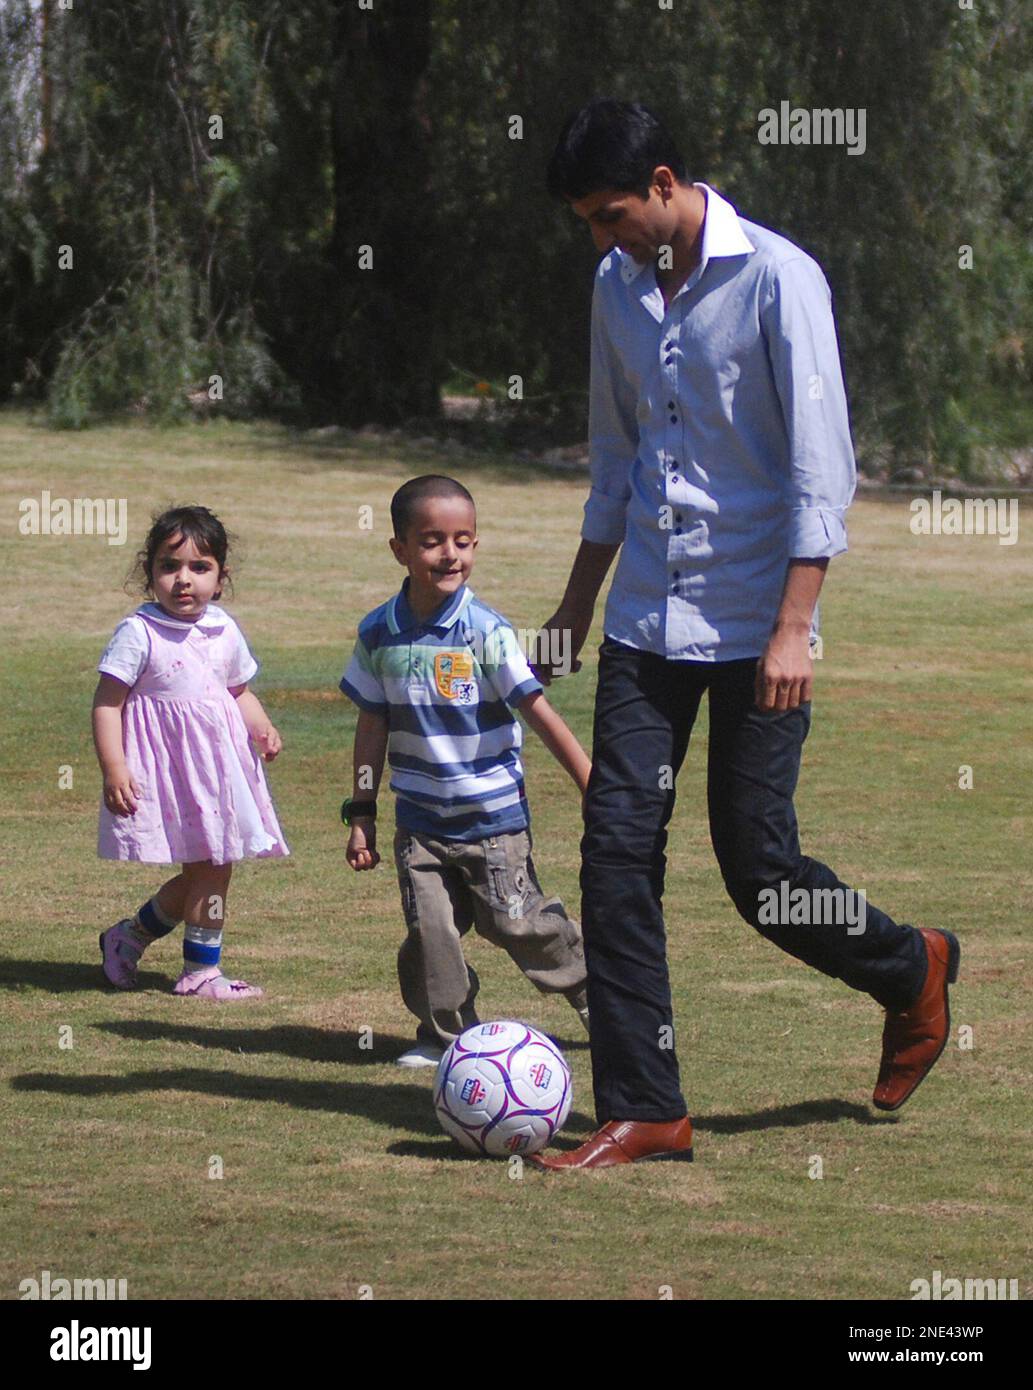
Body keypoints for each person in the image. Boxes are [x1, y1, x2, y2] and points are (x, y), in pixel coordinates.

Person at [528, 99, 959, 1170]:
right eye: (587, 220)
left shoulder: (777, 278)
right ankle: (645, 1106)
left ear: (665, 183)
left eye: (612, 213)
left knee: (759, 870)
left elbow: (823, 466)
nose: (601, 236)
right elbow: (615, 454)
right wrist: (577, 605)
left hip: (761, 617)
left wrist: (793, 628)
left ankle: (908, 968)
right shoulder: (613, 286)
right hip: (644, 621)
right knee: (615, 853)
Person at [340, 475, 592, 1067]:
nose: (450, 554)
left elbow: (537, 709)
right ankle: (446, 1035)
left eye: (464, 540)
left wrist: (590, 780)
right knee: (431, 932)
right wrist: (362, 814)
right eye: (431, 541)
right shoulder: (379, 633)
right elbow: (371, 726)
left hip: (494, 821)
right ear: (399, 550)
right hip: (421, 826)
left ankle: (599, 995)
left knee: (516, 923)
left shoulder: (486, 632)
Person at [93, 505, 288, 999]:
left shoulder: (223, 628)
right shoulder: (138, 632)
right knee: (210, 866)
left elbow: (238, 690)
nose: (184, 580)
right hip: (166, 772)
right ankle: (197, 969)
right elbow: (107, 703)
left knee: (213, 864)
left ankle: (131, 937)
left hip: (218, 771)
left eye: (200, 568)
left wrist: (261, 726)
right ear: (150, 573)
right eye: (169, 566)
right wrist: (114, 767)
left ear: (220, 578)